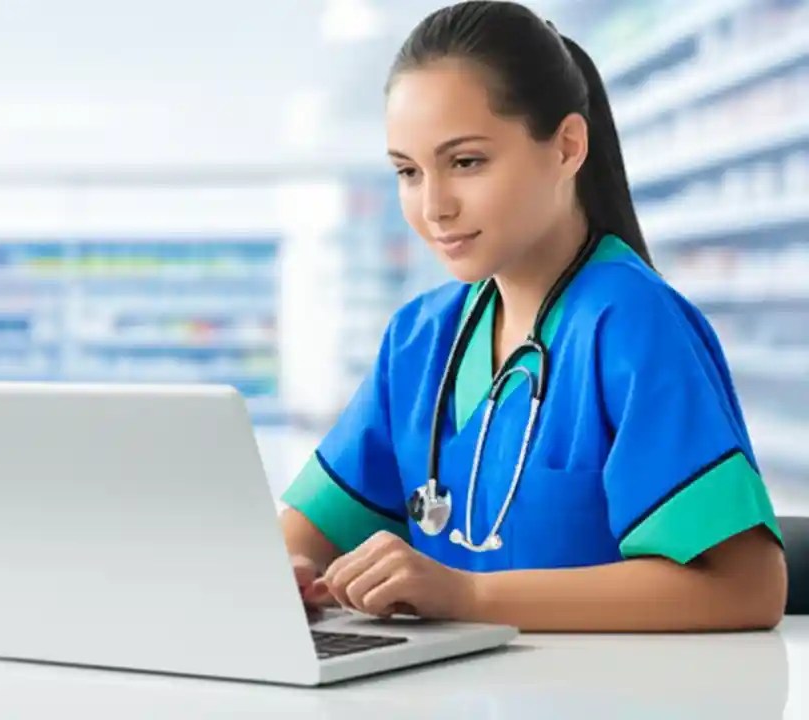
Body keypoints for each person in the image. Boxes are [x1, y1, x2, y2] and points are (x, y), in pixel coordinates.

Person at [280, 0, 788, 632]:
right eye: (408, 172)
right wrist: (291, 573)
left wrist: (468, 597)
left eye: (466, 162)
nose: (434, 205)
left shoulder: (629, 323)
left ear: (568, 146)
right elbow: (299, 536)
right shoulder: (420, 339)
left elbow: (744, 587)